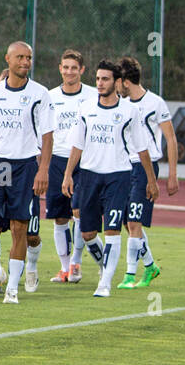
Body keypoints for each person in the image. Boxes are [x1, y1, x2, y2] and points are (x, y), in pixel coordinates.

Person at [61, 60, 157, 297]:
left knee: (113, 229)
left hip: (118, 176)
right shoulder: (86, 107)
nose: (100, 83)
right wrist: (67, 176)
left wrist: (151, 180)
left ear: (116, 82)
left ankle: (105, 282)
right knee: (87, 234)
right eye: (98, 79)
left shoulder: (129, 111)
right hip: (89, 176)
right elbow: (77, 145)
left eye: (105, 79)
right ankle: (105, 266)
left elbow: (142, 149)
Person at [0, 42, 55, 304]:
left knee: (20, 226)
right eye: (20, 57)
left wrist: (43, 168)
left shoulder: (40, 93)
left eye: (29, 58)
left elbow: (47, 134)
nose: (25, 62)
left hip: (25, 165)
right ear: (7, 59)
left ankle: (13, 289)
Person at [115, 56, 178, 288]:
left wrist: (172, 174)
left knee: (134, 221)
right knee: (127, 222)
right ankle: (150, 266)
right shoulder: (120, 105)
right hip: (123, 168)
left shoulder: (155, 103)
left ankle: (130, 275)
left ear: (125, 82)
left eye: (117, 82)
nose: (115, 86)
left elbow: (170, 138)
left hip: (145, 167)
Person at [45, 50, 97, 284]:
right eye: (65, 67)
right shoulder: (50, 96)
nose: (69, 72)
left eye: (74, 68)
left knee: (79, 213)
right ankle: (65, 268)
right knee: (59, 218)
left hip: (84, 162)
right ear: (59, 68)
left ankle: (76, 263)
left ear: (82, 70)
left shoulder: (93, 96)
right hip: (57, 159)